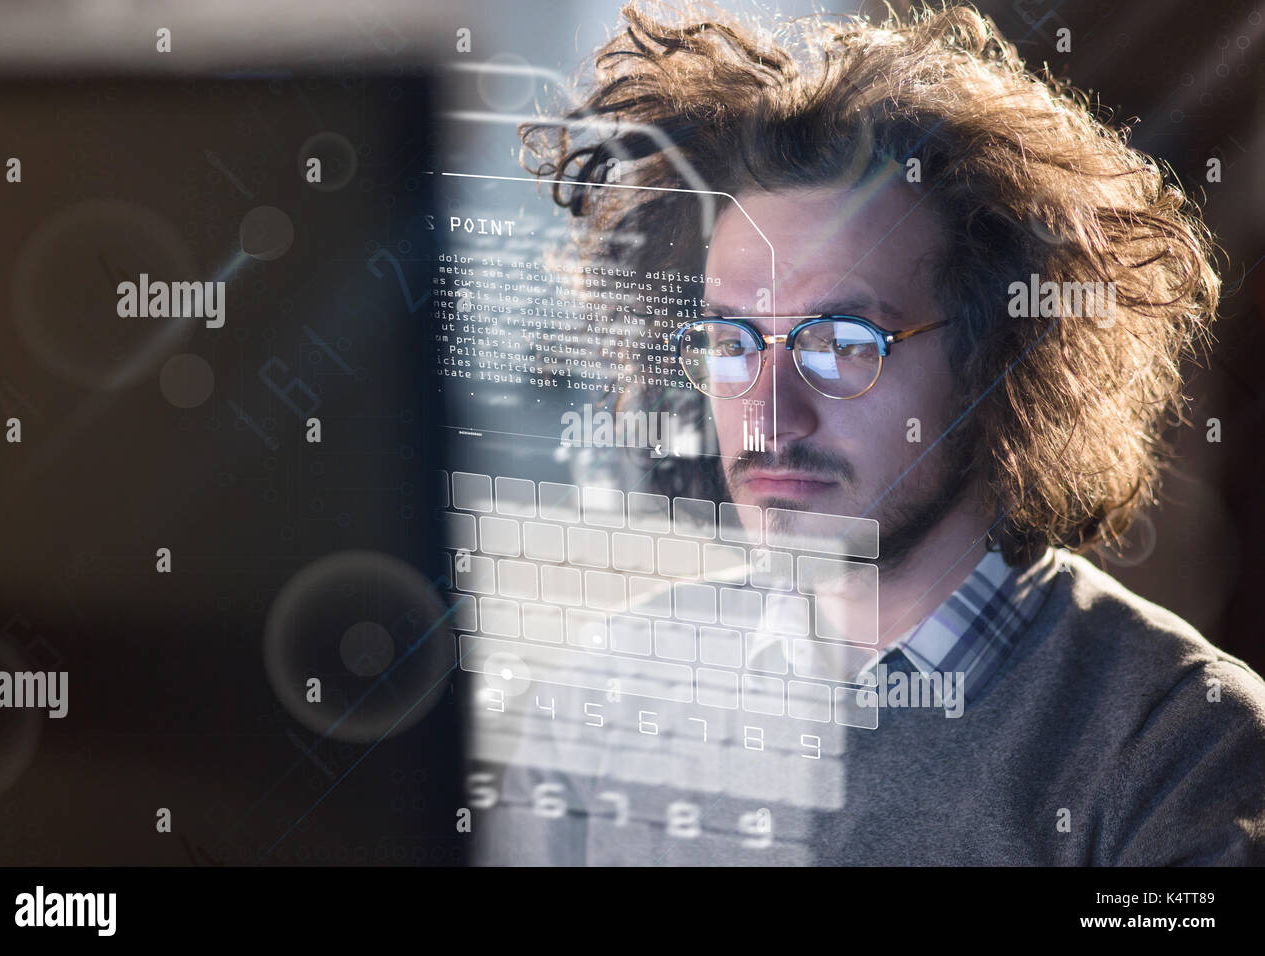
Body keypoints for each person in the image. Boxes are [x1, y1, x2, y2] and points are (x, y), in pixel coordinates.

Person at [483, 1, 1265, 864]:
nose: (772, 413)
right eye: (729, 342)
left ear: (998, 358)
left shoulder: (1182, 753)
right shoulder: (607, 694)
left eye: (840, 343)